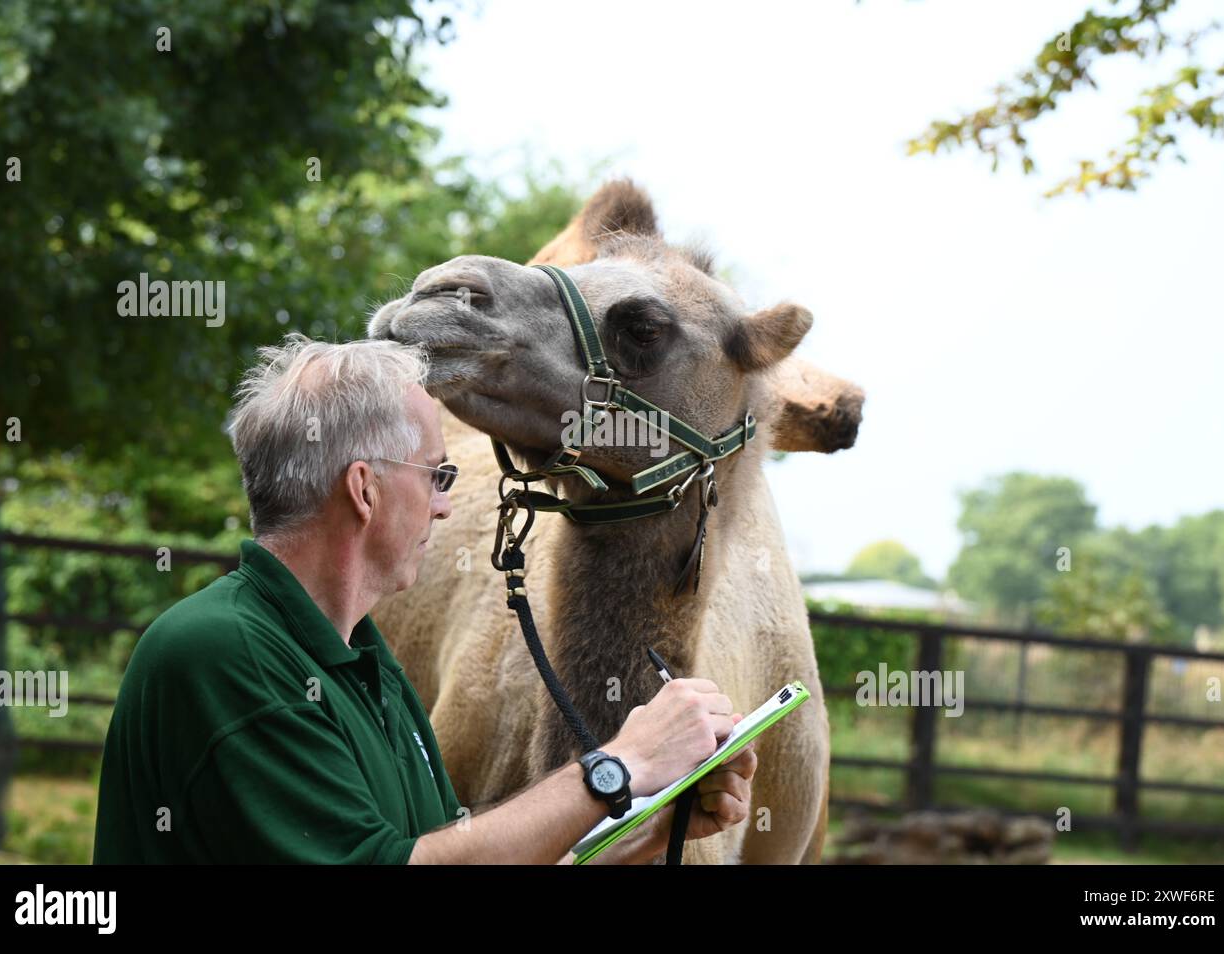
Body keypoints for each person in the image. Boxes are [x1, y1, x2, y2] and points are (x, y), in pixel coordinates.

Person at [93, 333, 756, 864]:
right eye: (438, 475)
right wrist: (617, 767)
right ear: (364, 489)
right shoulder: (222, 653)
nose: (445, 506)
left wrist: (649, 828)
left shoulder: (364, 663)